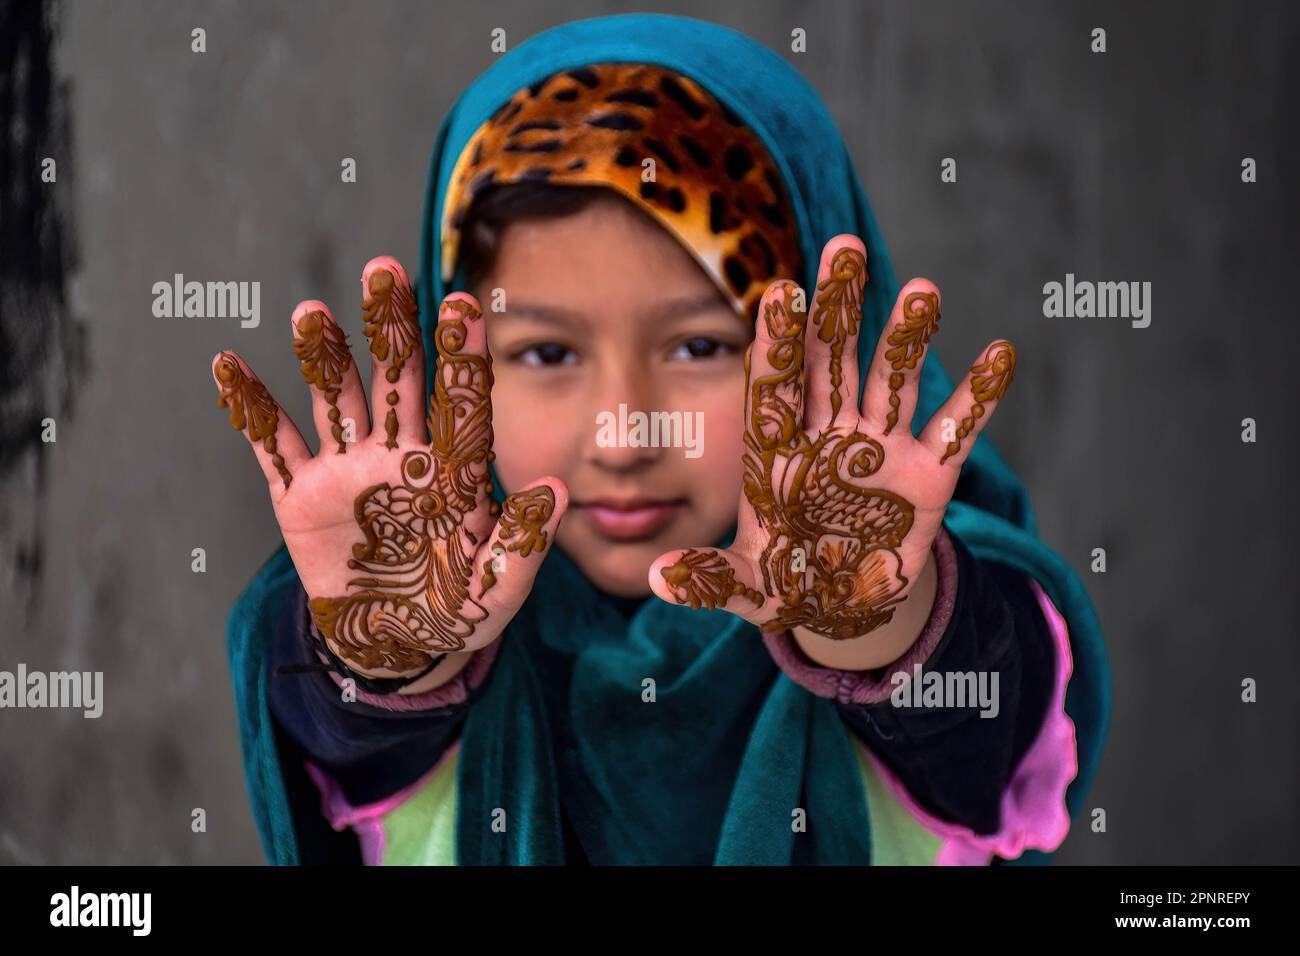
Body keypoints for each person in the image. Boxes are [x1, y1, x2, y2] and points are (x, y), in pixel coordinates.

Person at [215, 13, 1110, 865]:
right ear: (460, 368)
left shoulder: (931, 596)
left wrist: (878, 624)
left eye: (699, 346)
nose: (623, 430)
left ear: (822, 347)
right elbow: (331, 730)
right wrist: (398, 659)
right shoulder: (418, 603)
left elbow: (985, 712)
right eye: (547, 351)